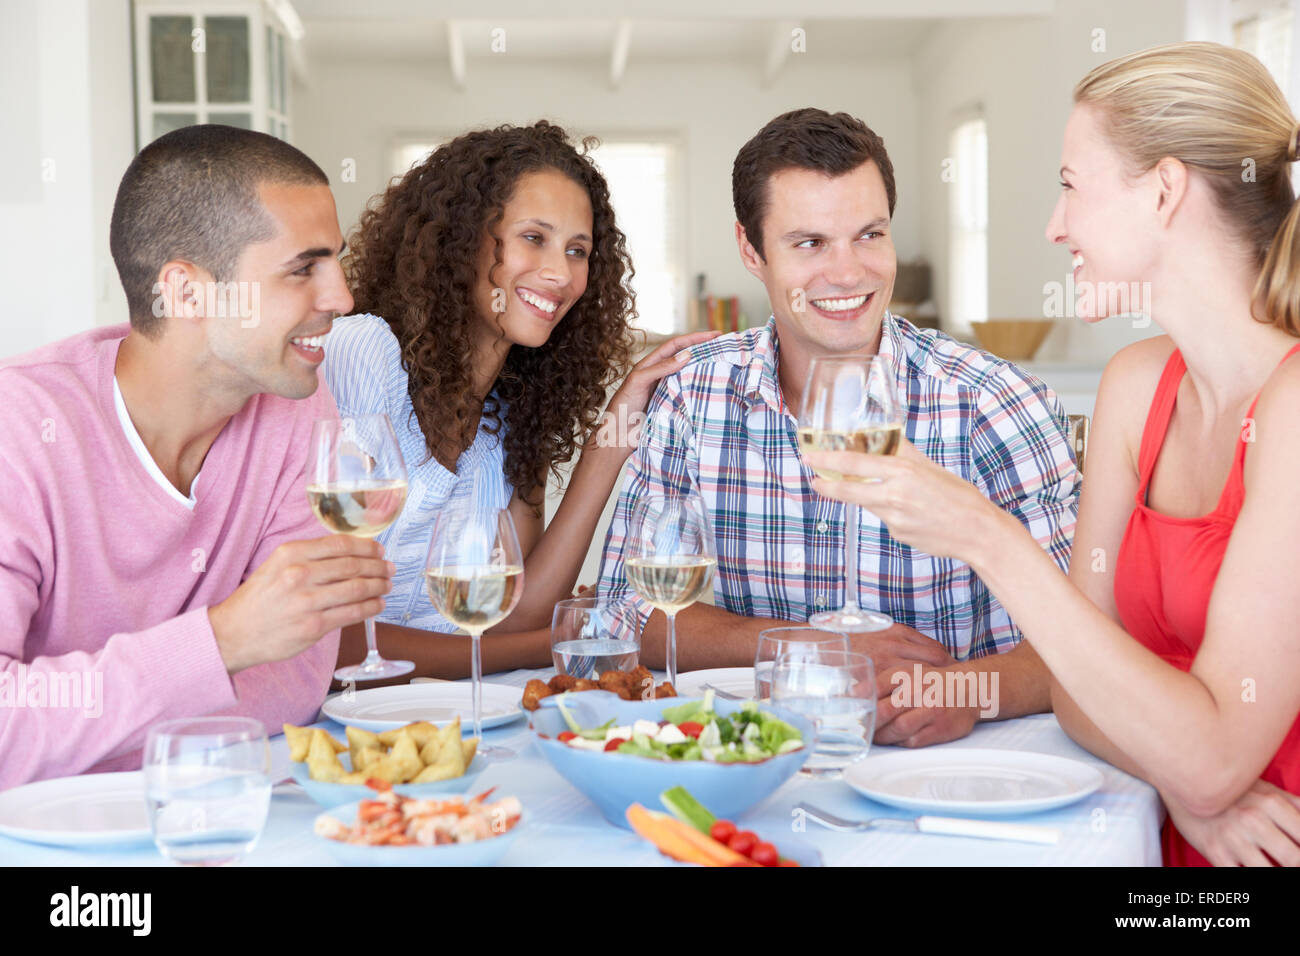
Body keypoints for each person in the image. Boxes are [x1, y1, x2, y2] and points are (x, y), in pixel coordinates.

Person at [802, 43, 1300, 866]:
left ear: (1165, 190)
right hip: (1155, 828)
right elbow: (1073, 687)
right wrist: (1184, 788)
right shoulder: (1138, 387)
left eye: (1072, 185)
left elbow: (1217, 758)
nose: (1055, 225)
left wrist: (987, 535)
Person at [595, 108, 1080, 745]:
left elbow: (1088, 643)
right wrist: (807, 645)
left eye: (869, 235)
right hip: (760, 760)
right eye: (809, 243)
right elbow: (625, 615)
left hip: (961, 770)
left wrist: (965, 691)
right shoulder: (693, 393)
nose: (848, 273)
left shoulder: (994, 400)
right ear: (751, 249)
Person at [0, 125, 393, 790]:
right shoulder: (21, 429)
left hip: (206, 817)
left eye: (336, 262)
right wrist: (223, 642)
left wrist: (74, 738)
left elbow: (296, 680)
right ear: (185, 292)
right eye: (304, 268)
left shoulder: (296, 404)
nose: (342, 298)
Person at [322, 120, 712, 678]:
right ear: (461, 239)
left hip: (448, 714)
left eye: (578, 250)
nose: (559, 273)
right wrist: (550, 646)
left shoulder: (515, 413)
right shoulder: (364, 355)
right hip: (344, 724)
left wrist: (609, 441)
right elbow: (333, 644)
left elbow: (520, 613)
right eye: (534, 237)